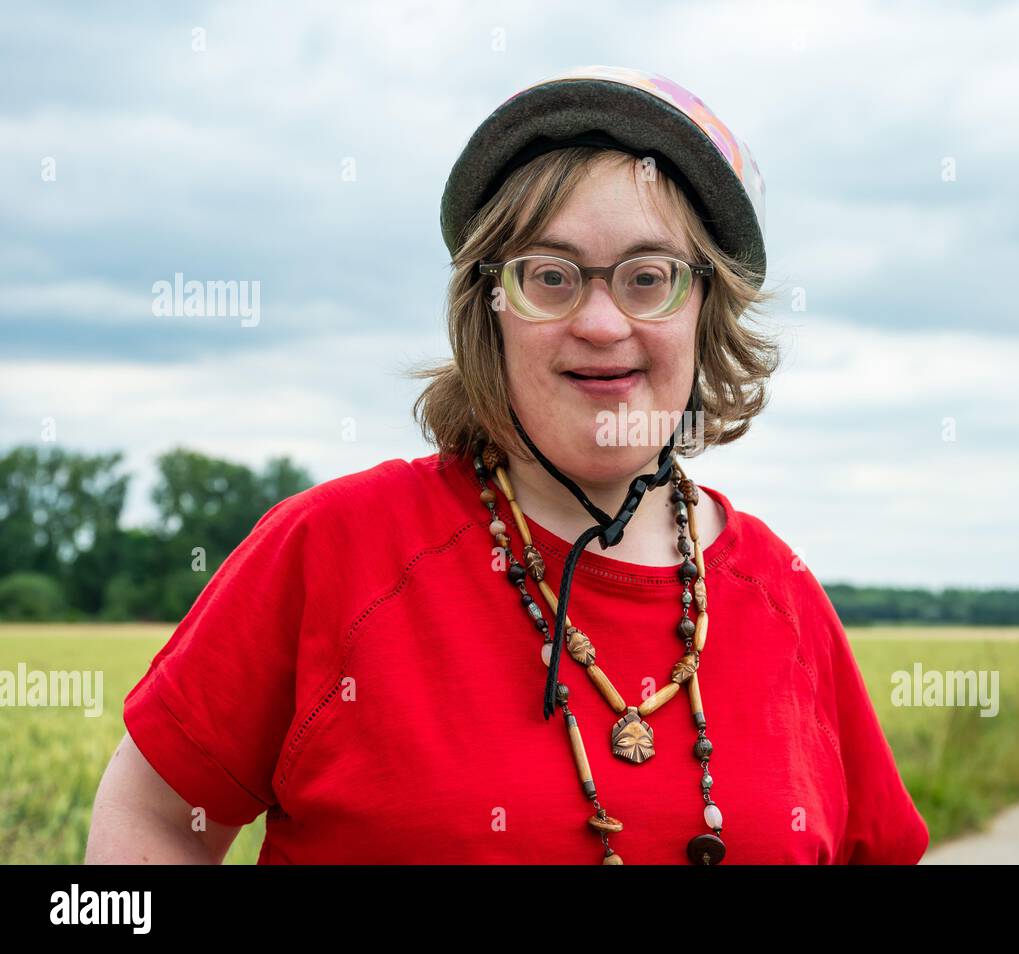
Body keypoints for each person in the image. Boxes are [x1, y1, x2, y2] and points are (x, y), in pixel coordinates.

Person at [85, 65, 929, 865]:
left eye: (649, 277)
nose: (601, 322)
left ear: (707, 310)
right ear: (488, 312)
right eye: (550, 276)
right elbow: (155, 818)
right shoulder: (332, 551)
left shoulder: (784, 596)